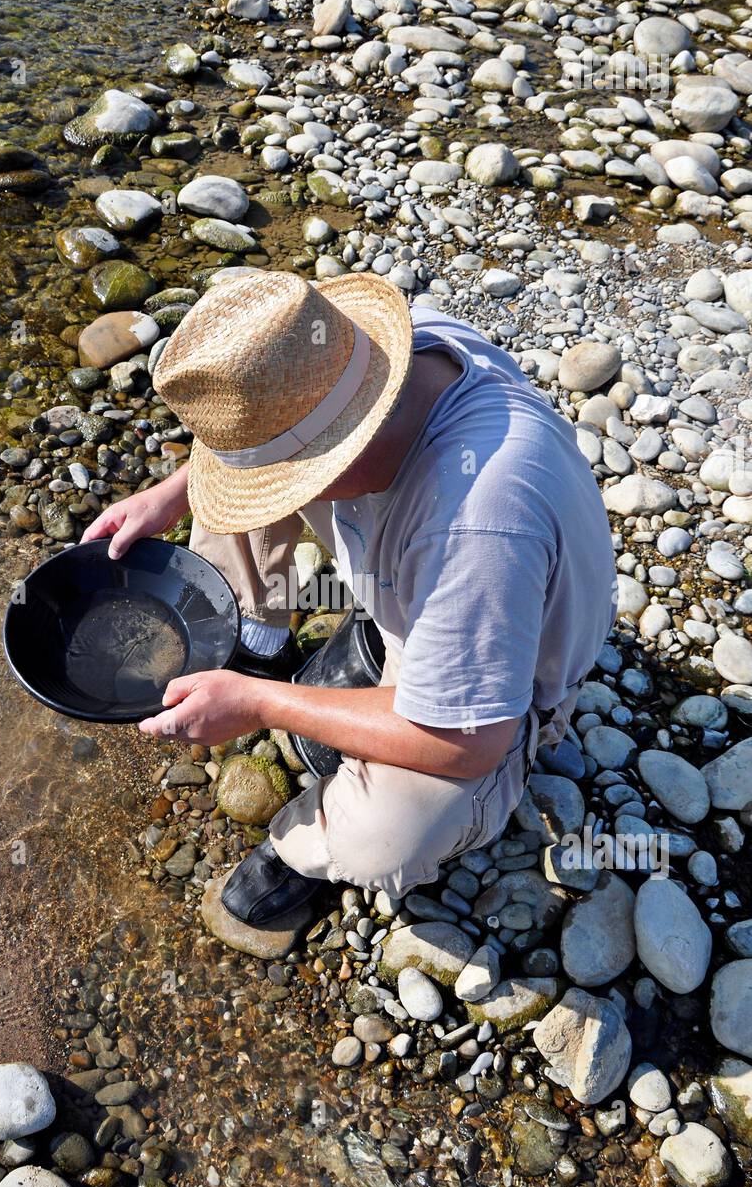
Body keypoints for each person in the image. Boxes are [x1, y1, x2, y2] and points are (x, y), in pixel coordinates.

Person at [82, 270, 617, 928]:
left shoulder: (476, 524)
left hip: (499, 697)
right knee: (233, 483)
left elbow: (468, 744)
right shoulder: (367, 354)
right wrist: (171, 495)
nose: (275, 487)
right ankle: (259, 643)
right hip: (438, 581)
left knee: (387, 836)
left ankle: (310, 842)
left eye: (290, 475)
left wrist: (258, 704)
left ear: (343, 450)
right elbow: (272, 431)